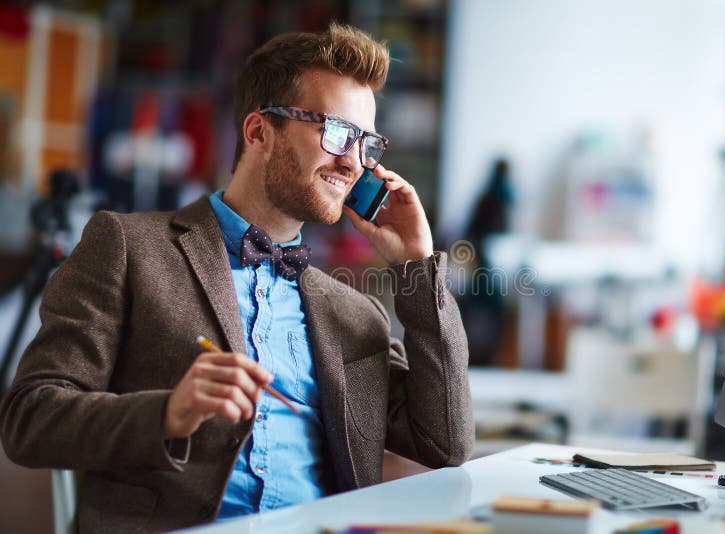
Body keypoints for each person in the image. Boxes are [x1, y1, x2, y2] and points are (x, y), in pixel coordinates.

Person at [0, 24, 473, 532]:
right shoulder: (128, 247)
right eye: (336, 132)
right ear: (258, 133)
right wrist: (166, 415)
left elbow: (444, 441)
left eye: (366, 144)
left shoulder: (356, 314)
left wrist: (417, 266)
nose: (353, 163)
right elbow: (30, 418)